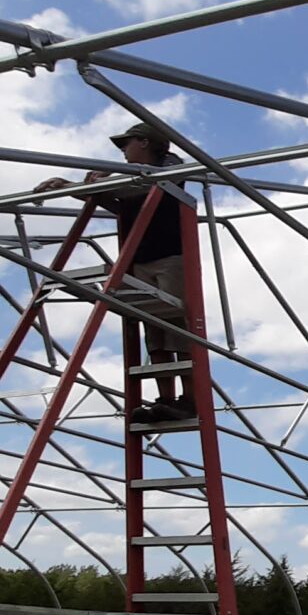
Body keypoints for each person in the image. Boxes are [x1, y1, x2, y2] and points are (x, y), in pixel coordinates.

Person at [34, 122, 191, 424]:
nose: (123, 152)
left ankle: (188, 400)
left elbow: (142, 188)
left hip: (170, 257)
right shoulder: (132, 179)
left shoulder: (168, 168)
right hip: (141, 257)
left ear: (145, 142)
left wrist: (93, 183)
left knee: (177, 330)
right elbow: (122, 204)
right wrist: (76, 190)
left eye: (126, 145)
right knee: (154, 331)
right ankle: (166, 400)